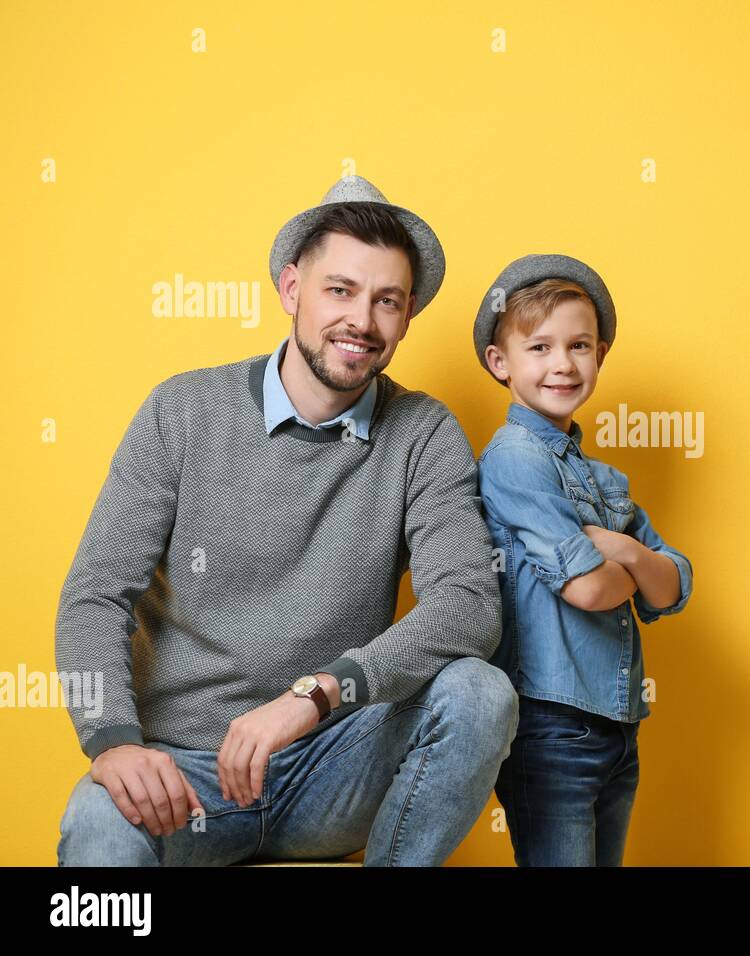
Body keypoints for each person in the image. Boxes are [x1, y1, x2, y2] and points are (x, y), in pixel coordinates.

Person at [54, 175, 517, 866]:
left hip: (332, 768)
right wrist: (113, 740)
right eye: (340, 290)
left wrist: (317, 694)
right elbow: (95, 594)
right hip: (187, 780)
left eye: (386, 300)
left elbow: (468, 607)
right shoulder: (181, 411)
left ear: (408, 313)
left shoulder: (422, 432)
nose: (362, 319)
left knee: (481, 693)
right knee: (96, 825)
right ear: (292, 288)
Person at [473, 254, 694, 865]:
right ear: (502, 363)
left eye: (579, 345)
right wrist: (639, 566)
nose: (562, 364)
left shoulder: (604, 477)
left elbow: (674, 586)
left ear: (599, 355)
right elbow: (589, 591)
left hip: (618, 724)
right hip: (553, 725)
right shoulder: (515, 456)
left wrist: (620, 548)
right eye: (539, 347)